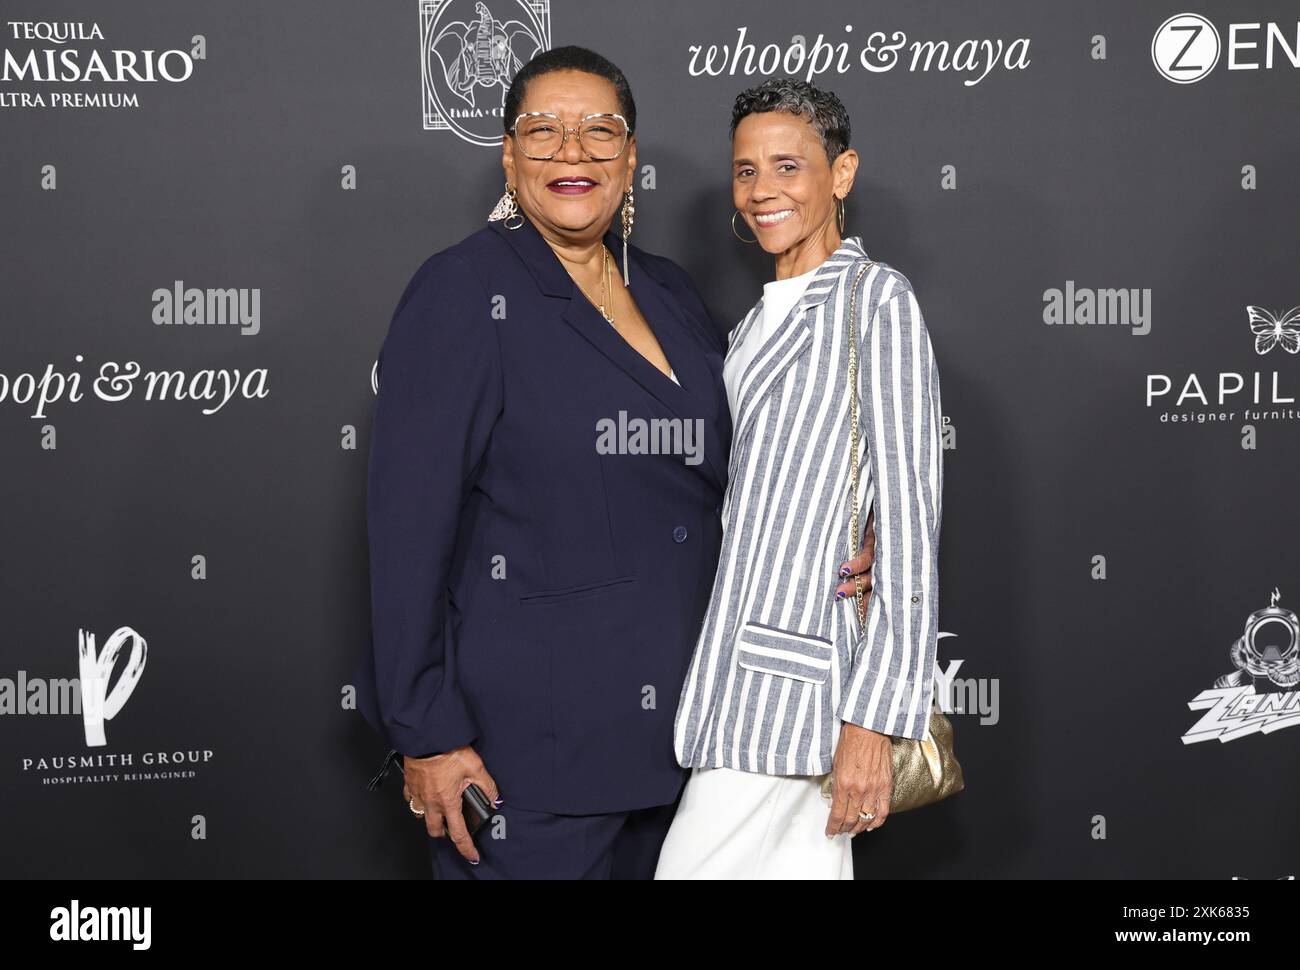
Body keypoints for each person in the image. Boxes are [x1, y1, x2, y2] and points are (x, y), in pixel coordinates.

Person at [352, 48, 876, 879]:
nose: (573, 152)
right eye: (544, 130)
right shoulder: (462, 292)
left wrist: (851, 538)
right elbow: (407, 527)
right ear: (507, 153)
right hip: (531, 761)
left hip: (698, 741)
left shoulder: (669, 292)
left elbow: (748, 474)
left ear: (631, 159)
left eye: (601, 132)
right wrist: (428, 731)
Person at [658, 78, 945, 879]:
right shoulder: (751, 326)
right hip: (734, 668)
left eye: (788, 166)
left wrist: (874, 720)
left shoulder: (876, 301)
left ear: (841, 173)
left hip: (812, 683)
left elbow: (911, 521)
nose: (762, 191)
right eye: (746, 171)